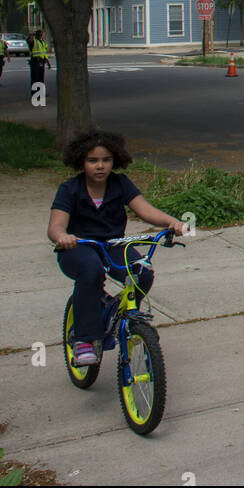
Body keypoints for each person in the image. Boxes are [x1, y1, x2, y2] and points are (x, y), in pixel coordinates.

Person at [48, 129, 185, 366]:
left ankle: (129, 319)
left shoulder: (120, 184)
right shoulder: (70, 189)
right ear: (81, 161)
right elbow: (55, 226)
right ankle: (84, 339)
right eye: (93, 160)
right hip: (79, 248)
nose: (100, 166)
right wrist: (62, 236)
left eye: (106, 160)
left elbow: (145, 210)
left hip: (113, 244)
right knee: (92, 271)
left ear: (115, 160)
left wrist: (172, 222)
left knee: (142, 271)